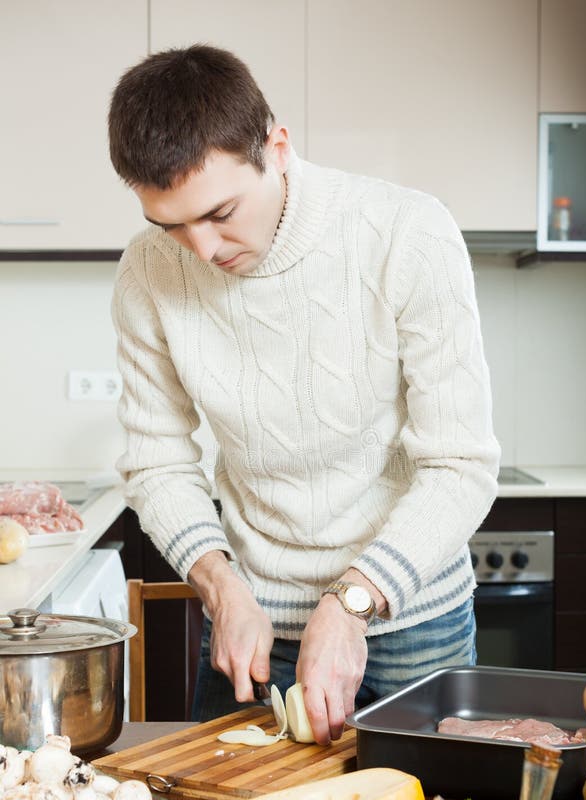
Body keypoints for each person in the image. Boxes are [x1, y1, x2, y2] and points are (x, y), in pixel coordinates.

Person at [108, 44, 500, 745]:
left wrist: (349, 603)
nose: (201, 250)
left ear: (277, 147)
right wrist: (221, 588)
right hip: (252, 623)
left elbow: (460, 467)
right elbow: (157, 465)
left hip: (416, 620)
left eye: (221, 212)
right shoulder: (147, 272)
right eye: (171, 225)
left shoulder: (408, 233)